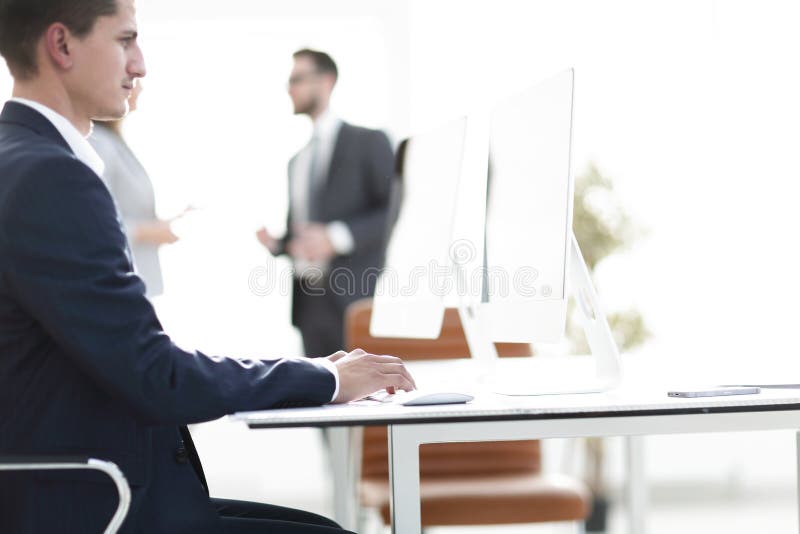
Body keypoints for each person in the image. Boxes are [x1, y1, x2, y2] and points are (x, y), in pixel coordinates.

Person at [0, 2, 415, 533]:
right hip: (98, 500)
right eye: (125, 40)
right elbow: (157, 375)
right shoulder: (50, 177)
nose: (140, 64)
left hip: (97, 481)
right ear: (61, 46)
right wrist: (325, 376)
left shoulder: (26, 160)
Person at [256, 49, 396, 358]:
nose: (290, 88)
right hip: (308, 302)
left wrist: (336, 238)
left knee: (364, 397)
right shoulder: (297, 161)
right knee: (318, 393)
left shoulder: (369, 141)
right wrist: (280, 244)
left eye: (297, 79)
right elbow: (303, 231)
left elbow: (393, 211)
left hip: (353, 299)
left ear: (327, 81)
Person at [89, 81, 182, 297]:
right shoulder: (99, 144)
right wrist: (151, 232)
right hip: (121, 286)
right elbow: (95, 225)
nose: (140, 88)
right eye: (132, 82)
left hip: (139, 284)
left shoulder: (114, 142)